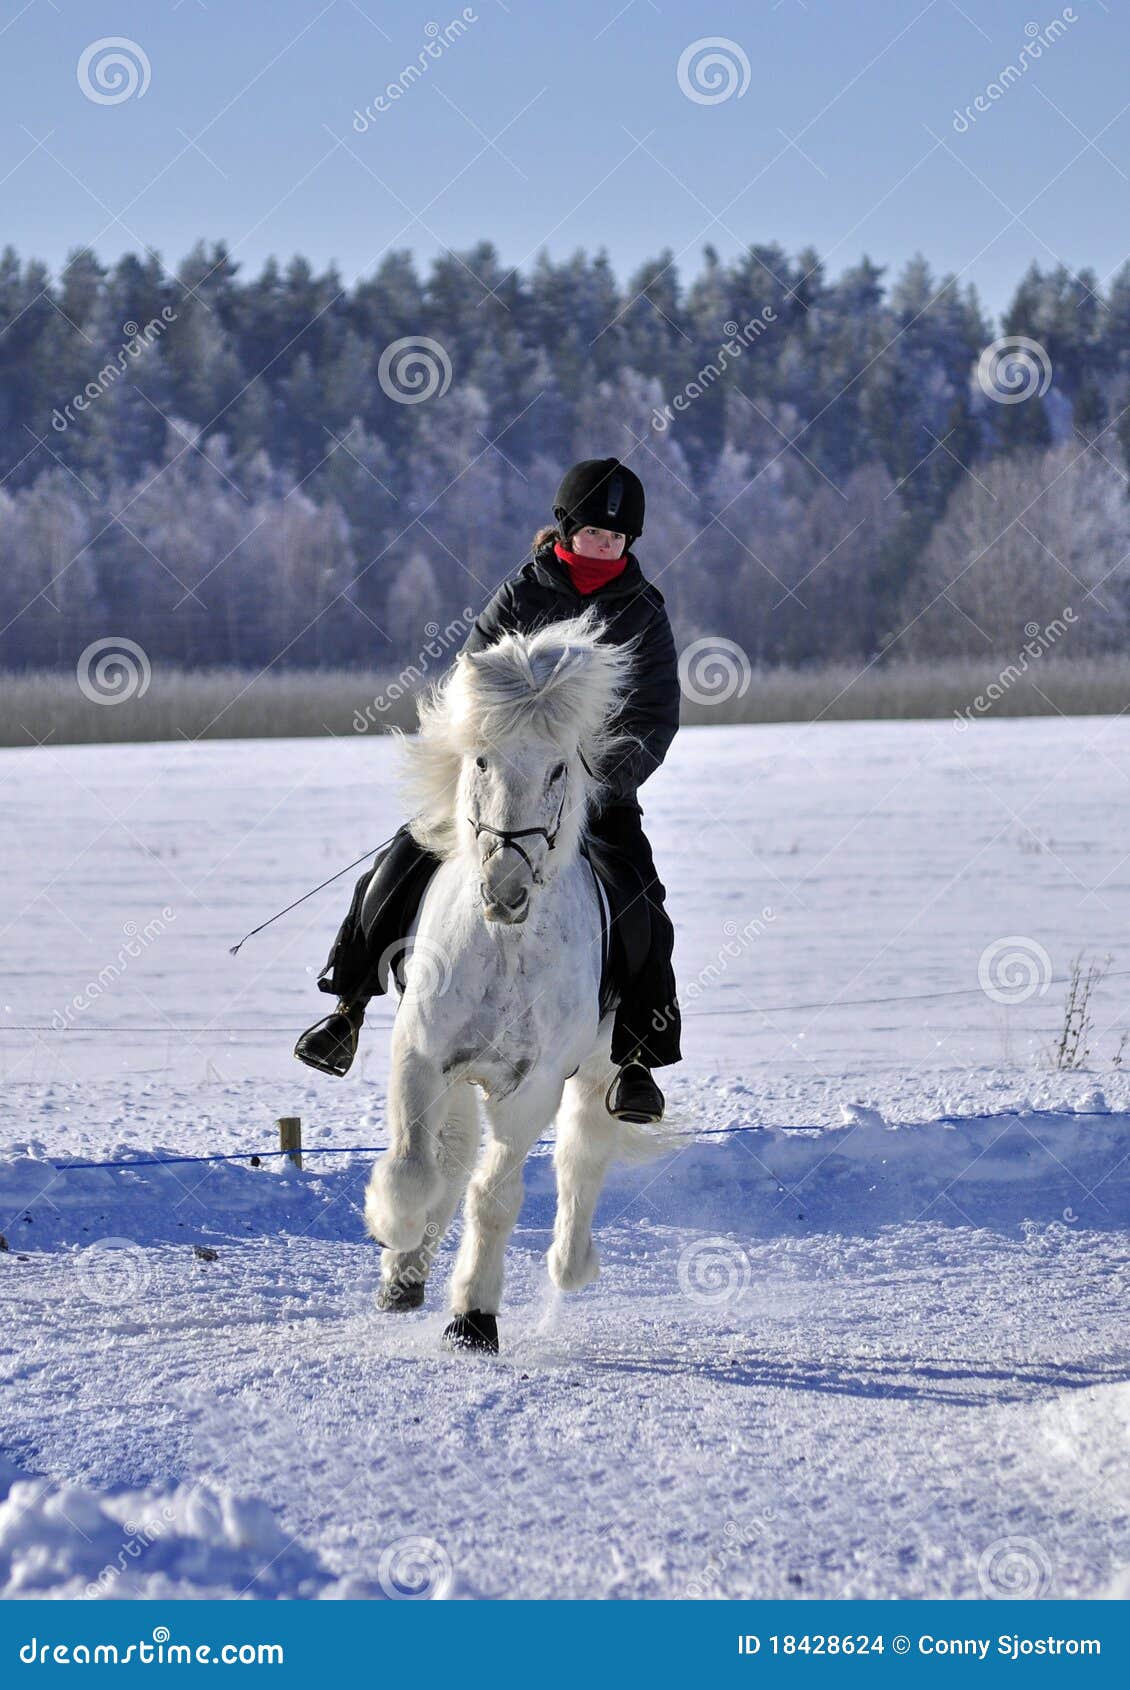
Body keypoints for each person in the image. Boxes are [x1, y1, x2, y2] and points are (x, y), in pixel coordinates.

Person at [294, 457, 682, 1122]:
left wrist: (595, 783)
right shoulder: (523, 594)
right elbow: (470, 687)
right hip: (504, 782)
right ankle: (349, 1007)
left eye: (617, 539)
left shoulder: (642, 613)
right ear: (567, 528)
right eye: (594, 533)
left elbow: (655, 715)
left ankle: (640, 1057)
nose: (605, 546)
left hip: (594, 792)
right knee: (402, 861)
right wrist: (499, 766)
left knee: (644, 901)